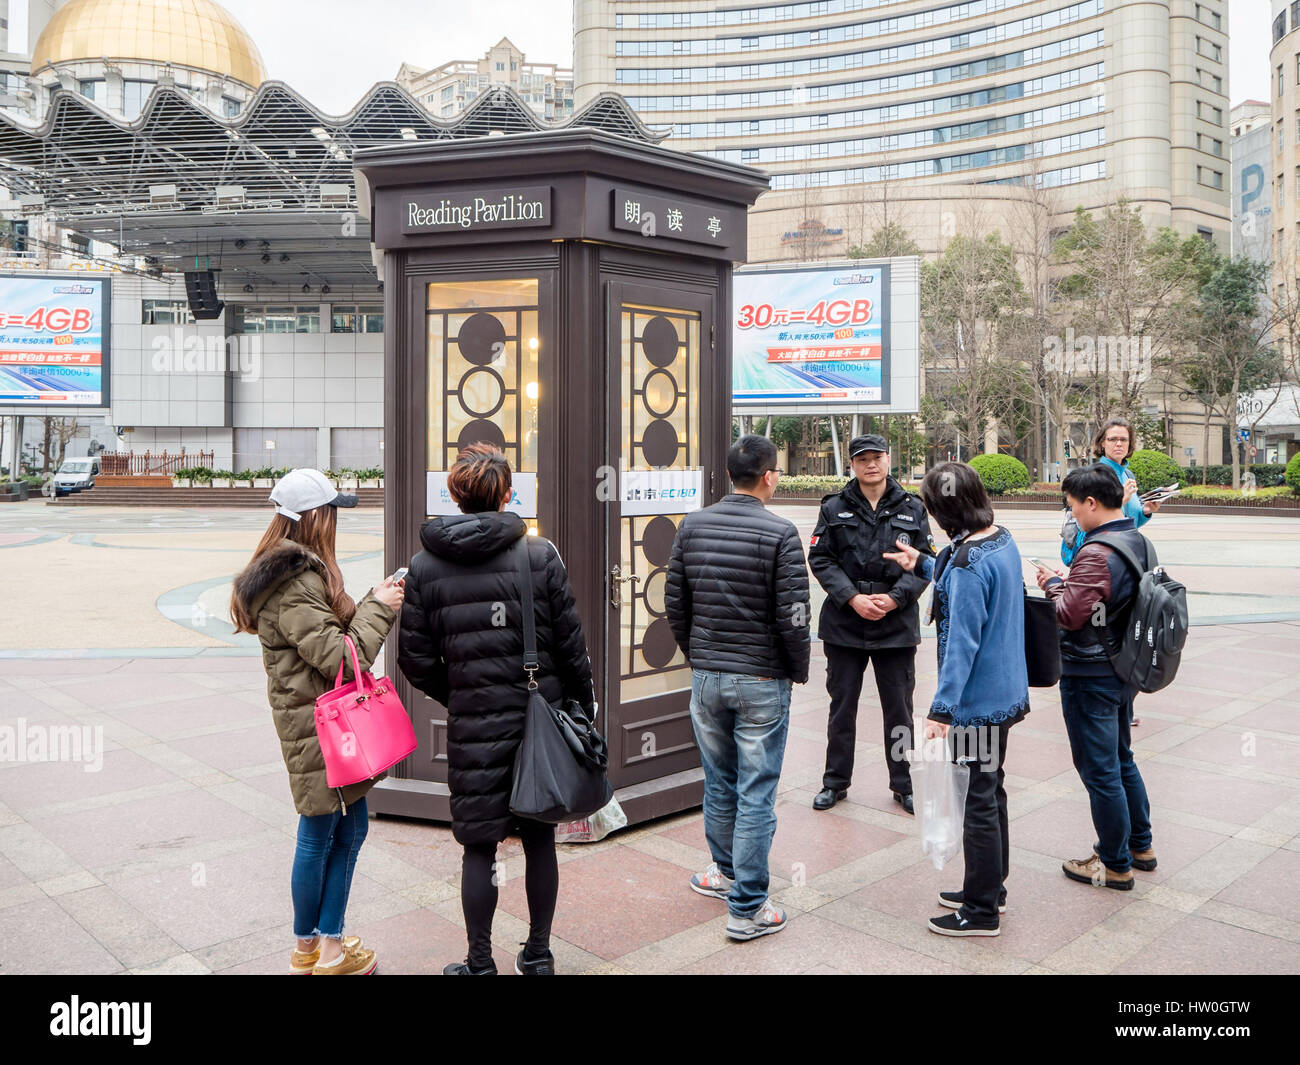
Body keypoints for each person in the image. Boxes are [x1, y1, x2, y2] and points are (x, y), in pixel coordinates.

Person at [398, 443, 593, 976]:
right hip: (540, 721)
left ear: (456, 495)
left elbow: (413, 660)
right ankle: (538, 953)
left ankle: (479, 963)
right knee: (538, 838)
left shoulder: (424, 565)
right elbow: (571, 646)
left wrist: (461, 691)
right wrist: (582, 709)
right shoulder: (539, 555)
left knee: (479, 846)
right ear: (508, 494)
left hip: (473, 726)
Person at [231, 468, 404, 976]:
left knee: (339, 829)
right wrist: (380, 607)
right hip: (320, 729)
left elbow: (328, 639)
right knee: (324, 831)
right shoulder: (294, 583)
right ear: (314, 518)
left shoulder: (292, 575)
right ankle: (325, 949)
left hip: (319, 722)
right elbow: (343, 659)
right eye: (332, 511)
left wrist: (370, 598)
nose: (336, 522)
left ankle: (313, 945)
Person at [665, 434, 810, 942]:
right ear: (769, 476)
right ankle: (748, 907)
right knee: (756, 790)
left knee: (719, 779)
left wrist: (697, 655)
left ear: (730, 475)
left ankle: (723, 873)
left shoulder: (694, 524)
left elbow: (674, 603)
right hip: (761, 678)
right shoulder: (781, 533)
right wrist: (797, 668)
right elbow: (794, 616)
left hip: (707, 677)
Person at [885, 462, 1029, 937]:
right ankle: (992, 889)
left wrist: (940, 712)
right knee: (993, 790)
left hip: (976, 706)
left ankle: (981, 910)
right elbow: (960, 573)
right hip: (1006, 693)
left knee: (979, 802)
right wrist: (922, 564)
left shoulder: (966, 563)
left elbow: (962, 644)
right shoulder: (999, 539)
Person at [1037, 463, 1156, 892]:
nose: (1072, 517)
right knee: (1122, 758)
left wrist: (1054, 583)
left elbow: (1069, 615)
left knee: (1099, 769)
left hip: (1091, 672)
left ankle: (1113, 862)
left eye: (1072, 508)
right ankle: (1140, 846)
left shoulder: (1096, 551)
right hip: (1124, 666)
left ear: (1091, 503)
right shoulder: (1136, 540)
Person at [807, 434, 935, 814]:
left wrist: (895, 598)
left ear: (888, 459)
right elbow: (821, 558)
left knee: (899, 709)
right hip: (846, 621)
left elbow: (925, 560)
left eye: (877, 457)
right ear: (853, 464)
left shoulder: (913, 508)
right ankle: (834, 782)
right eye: (863, 459)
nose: (871, 465)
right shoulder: (833, 507)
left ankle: (903, 783)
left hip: (895, 624)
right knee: (841, 707)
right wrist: (852, 597)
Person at [1060, 418, 1163, 727]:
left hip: (1120, 557)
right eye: (1113, 439)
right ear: (1101, 443)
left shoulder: (1127, 473)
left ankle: (1121, 704)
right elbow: (1098, 521)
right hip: (1099, 559)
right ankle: (1112, 702)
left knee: (1126, 633)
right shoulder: (1099, 475)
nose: (1119, 444)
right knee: (1102, 631)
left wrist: (1144, 511)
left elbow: (1125, 523)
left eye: (1124, 439)